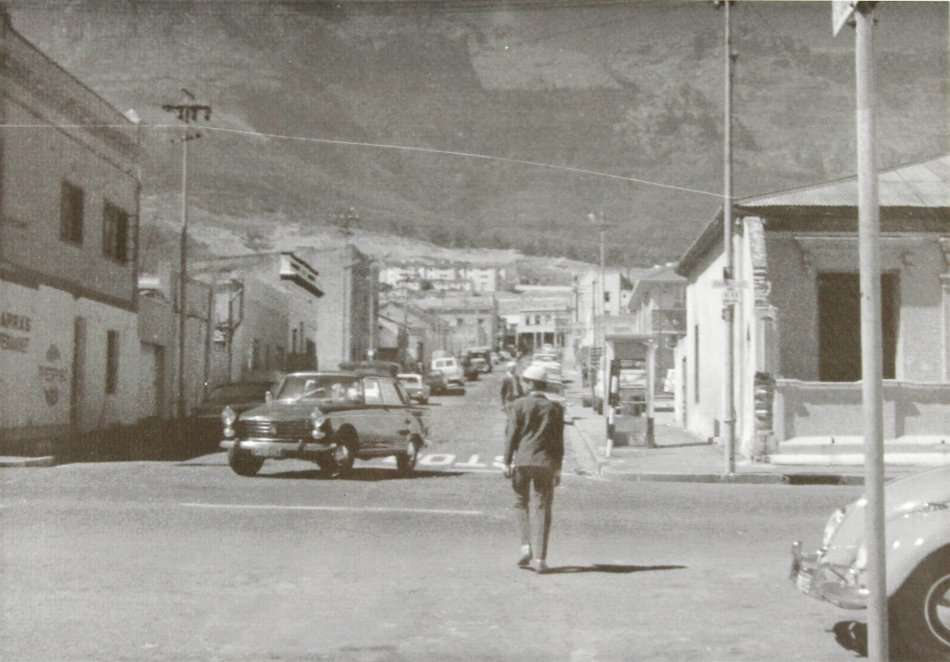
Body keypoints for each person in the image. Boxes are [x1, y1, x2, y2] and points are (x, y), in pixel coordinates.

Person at [503, 364, 564, 574]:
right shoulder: (555, 408)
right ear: (544, 384)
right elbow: (558, 442)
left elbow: (511, 435)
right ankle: (540, 558)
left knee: (520, 503)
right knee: (542, 508)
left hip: (522, 461)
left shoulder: (518, 405)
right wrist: (558, 469)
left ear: (528, 383)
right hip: (545, 463)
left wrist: (506, 461)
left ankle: (525, 546)